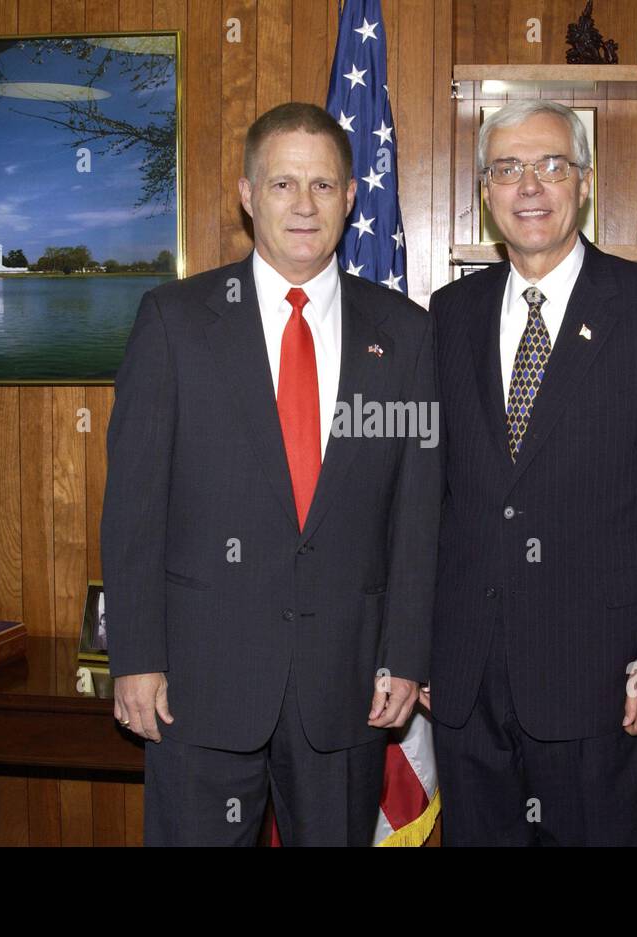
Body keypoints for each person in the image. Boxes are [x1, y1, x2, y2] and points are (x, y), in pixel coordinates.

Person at [100, 102, 441, 846]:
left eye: (323, 185)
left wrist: (408, 656)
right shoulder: (175, 320)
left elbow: (417, 515)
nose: (304, 204)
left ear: (352, 198)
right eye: (283, 184)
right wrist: (136, 657)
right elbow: (133, 509)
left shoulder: (406, 336)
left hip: (346, 685)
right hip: (197, 682)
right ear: (248, 195)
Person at [425, 99, 637, 845]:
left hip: (603, 679)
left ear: (584, 183)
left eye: (550, 165)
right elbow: (429, 496)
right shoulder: (447, 314)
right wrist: (417, 646)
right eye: (507, 169)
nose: (529, 185)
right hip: (465, 680)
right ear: (486, 191)